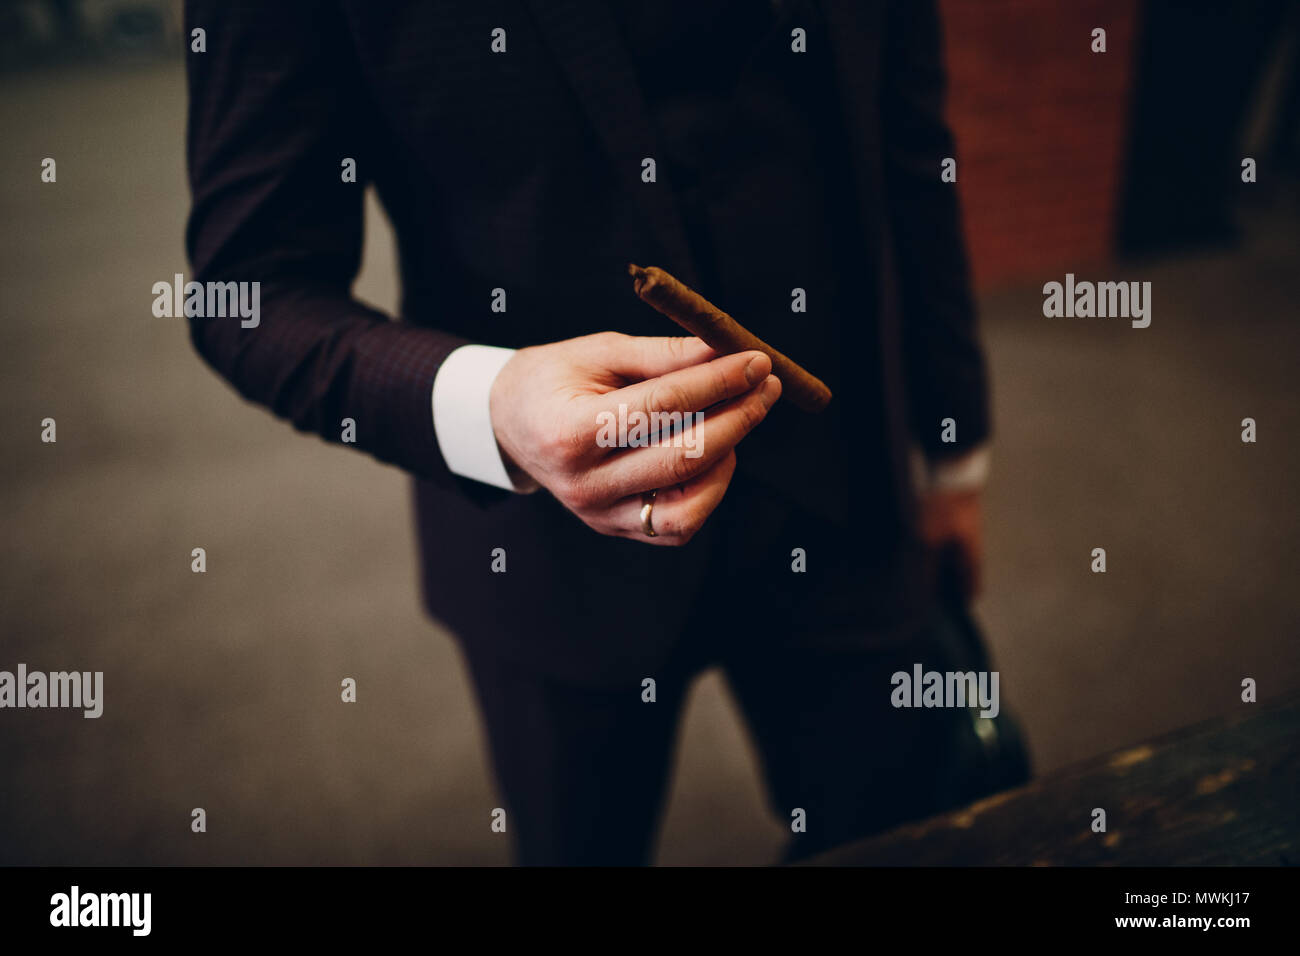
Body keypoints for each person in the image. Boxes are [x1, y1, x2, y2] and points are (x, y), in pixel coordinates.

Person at [184, 0, 1015, 865]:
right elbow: (248, 291)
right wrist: (493, 405)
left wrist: (956, 458)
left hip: (848, 494)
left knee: (898, 833)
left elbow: (915, 155)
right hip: (547, 553)